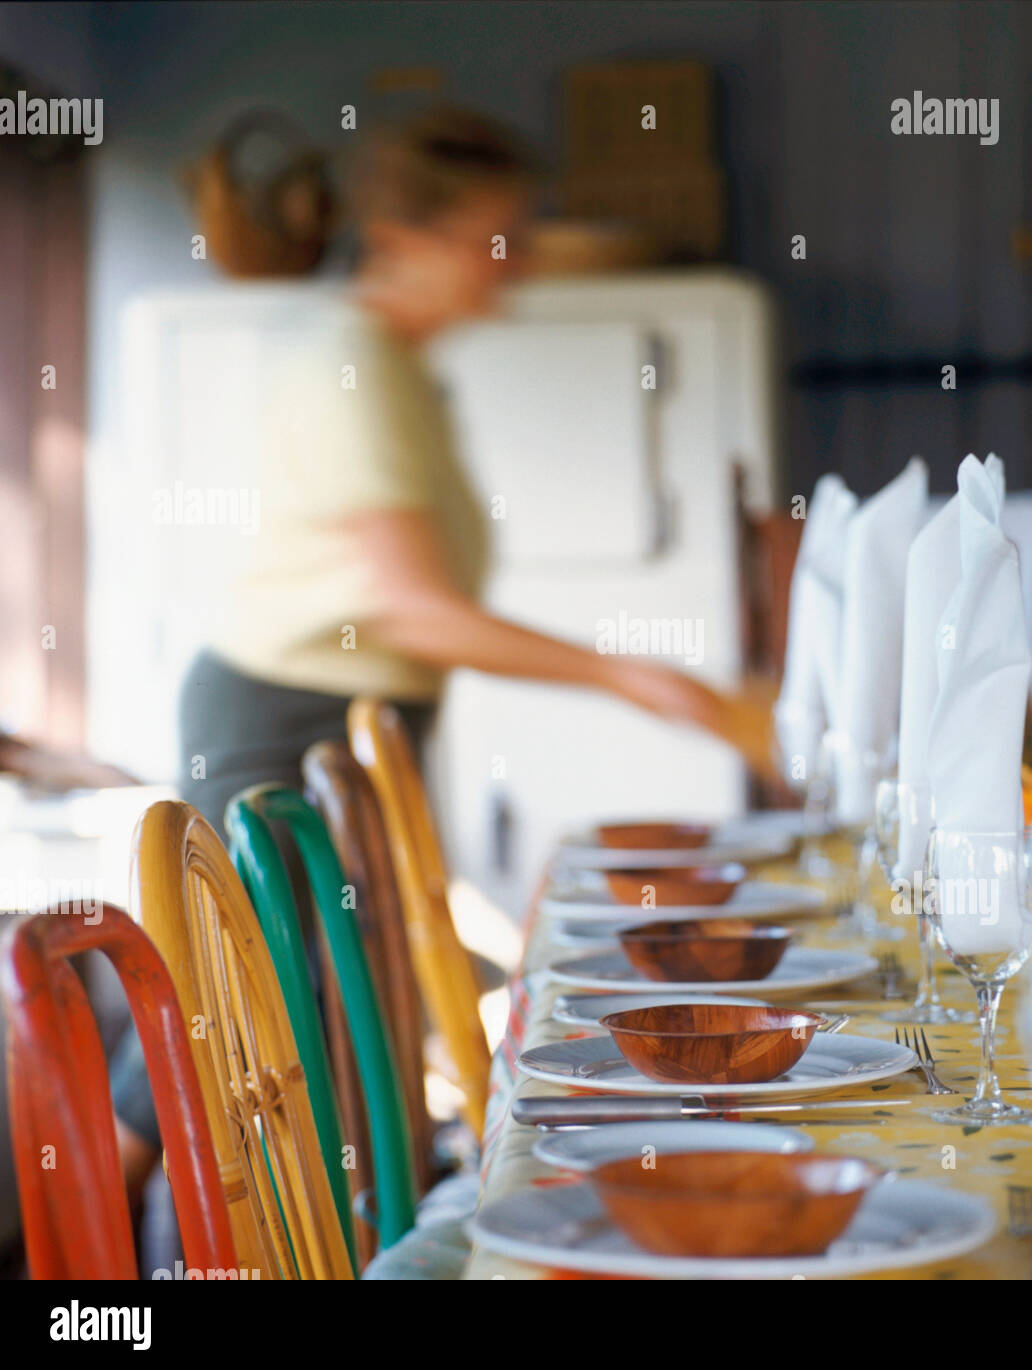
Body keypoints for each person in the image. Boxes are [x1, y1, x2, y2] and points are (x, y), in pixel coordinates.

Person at [110, 104, 771, 1214]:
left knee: (253, 1016)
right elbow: (419, 612)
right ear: (407, 238)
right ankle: (102, 1257)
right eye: (493, 237)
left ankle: (97, 1237)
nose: (512, 263)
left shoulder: (397, 369)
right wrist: (651, 682)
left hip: (334, 710)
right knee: (239, 1040)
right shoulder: (350, 363)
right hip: (278, 713)